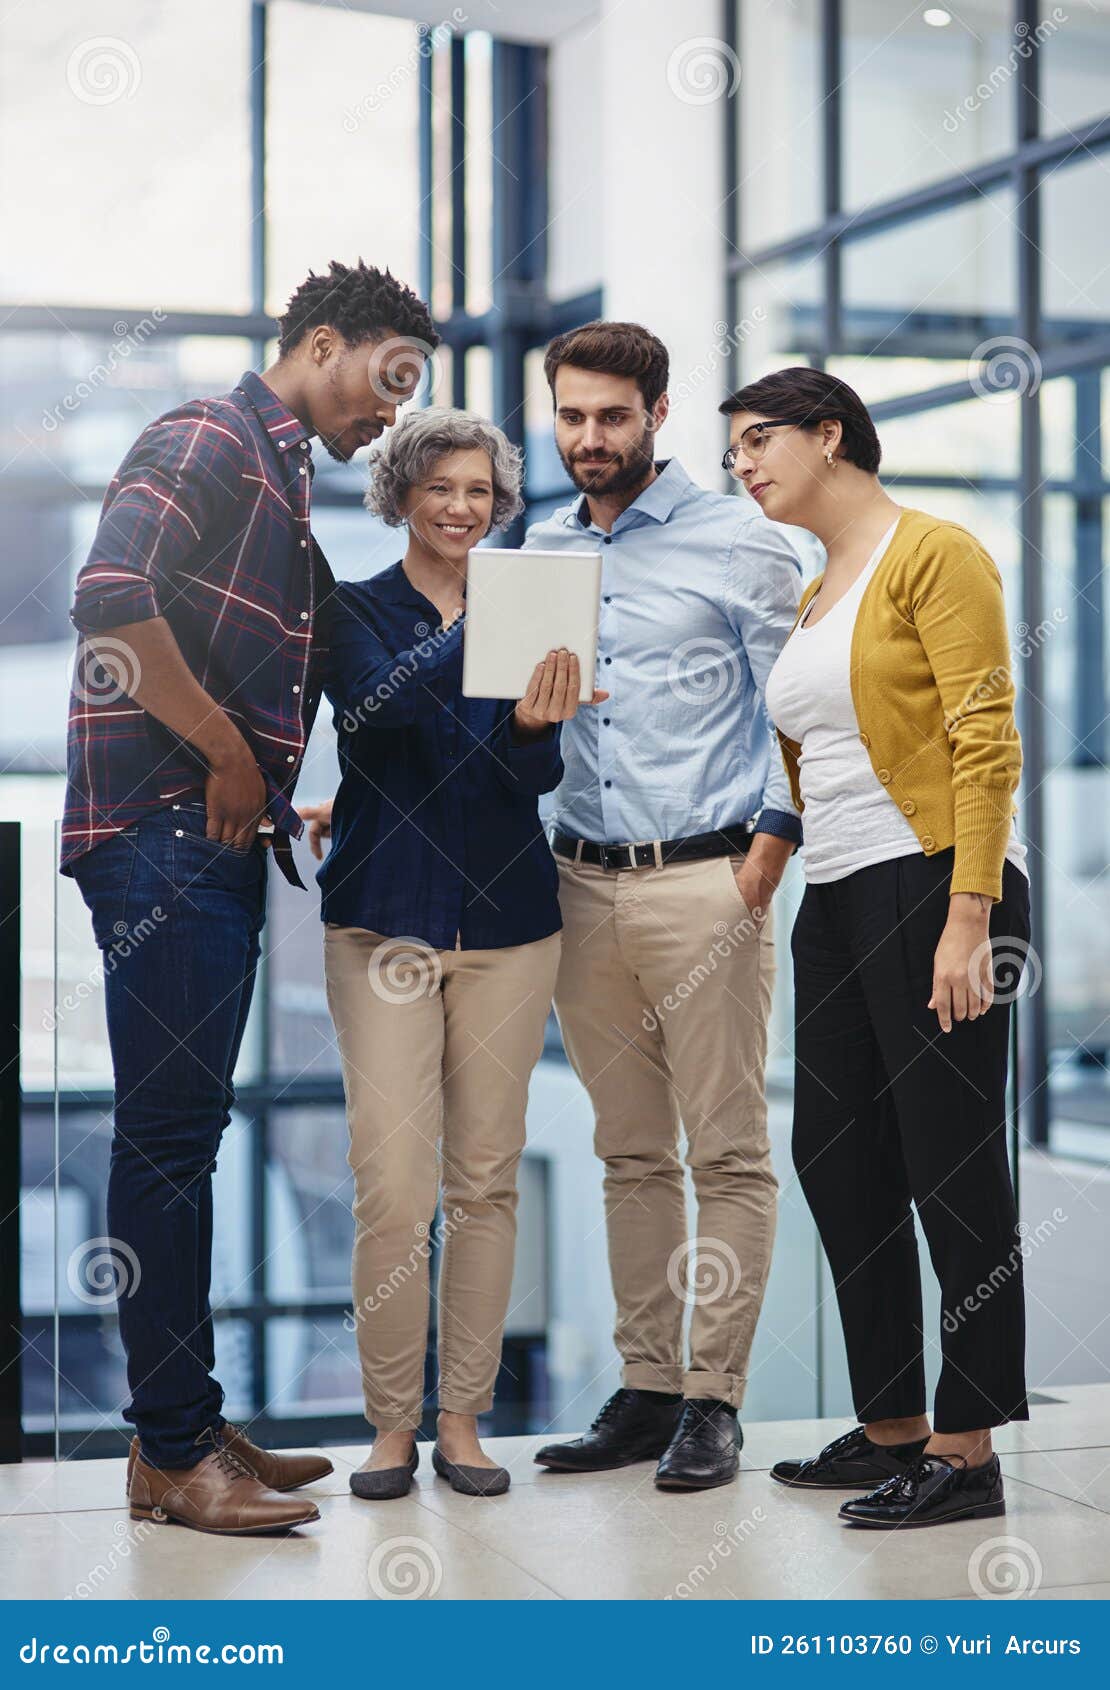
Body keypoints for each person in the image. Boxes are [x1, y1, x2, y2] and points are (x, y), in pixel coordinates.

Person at [62, 259, 437, 1535]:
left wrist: (282, 791)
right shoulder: (212, 434)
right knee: (168, 1142)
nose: (390, 415)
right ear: (322, 345)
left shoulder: (278, 479)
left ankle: (188, 1423)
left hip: (206, 839)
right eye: (389, 381)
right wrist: (229, 753)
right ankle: (172, 1452)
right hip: (164, 834)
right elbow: (107, 603)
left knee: (188, 1139)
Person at [721, 364, 1031, 1529]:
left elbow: (985, 737)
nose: (743, 465)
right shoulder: (820, 588)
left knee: (953, 1167)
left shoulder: (934, 553)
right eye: (734, 451)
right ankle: (894, 1423)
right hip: (843, 898)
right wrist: (774, 844)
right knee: (838, 1159)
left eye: (758, 441)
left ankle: (968, 1448)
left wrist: (969, 912)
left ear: (831, 434)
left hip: (937, 889)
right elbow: (822, 754)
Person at [304, 408, 606, 1500]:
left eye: (481, 492)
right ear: (401, 495)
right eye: (442, 489)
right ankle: (390, 1427)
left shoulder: (532, 608)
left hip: (510, 925)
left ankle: (464, 1421)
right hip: (382, 920)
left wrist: (534, 724)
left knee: (484, 1182)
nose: (464, 508)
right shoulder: (352, 610)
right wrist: (483, 643)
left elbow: (529, 782)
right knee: (392, 1185)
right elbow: (377, 714)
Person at [523, 321, 804, 1492]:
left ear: (658, 412)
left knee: (727, 1154)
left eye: (612, 417)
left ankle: (712, 1399)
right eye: (572, 416)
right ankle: (644, 1390)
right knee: (629, 1153)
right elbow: (512, 739)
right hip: (579, 885)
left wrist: (768, 849)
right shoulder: (537, 550)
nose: (590, 438)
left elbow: (804, 708)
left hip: (706, 877)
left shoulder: (742, 539)